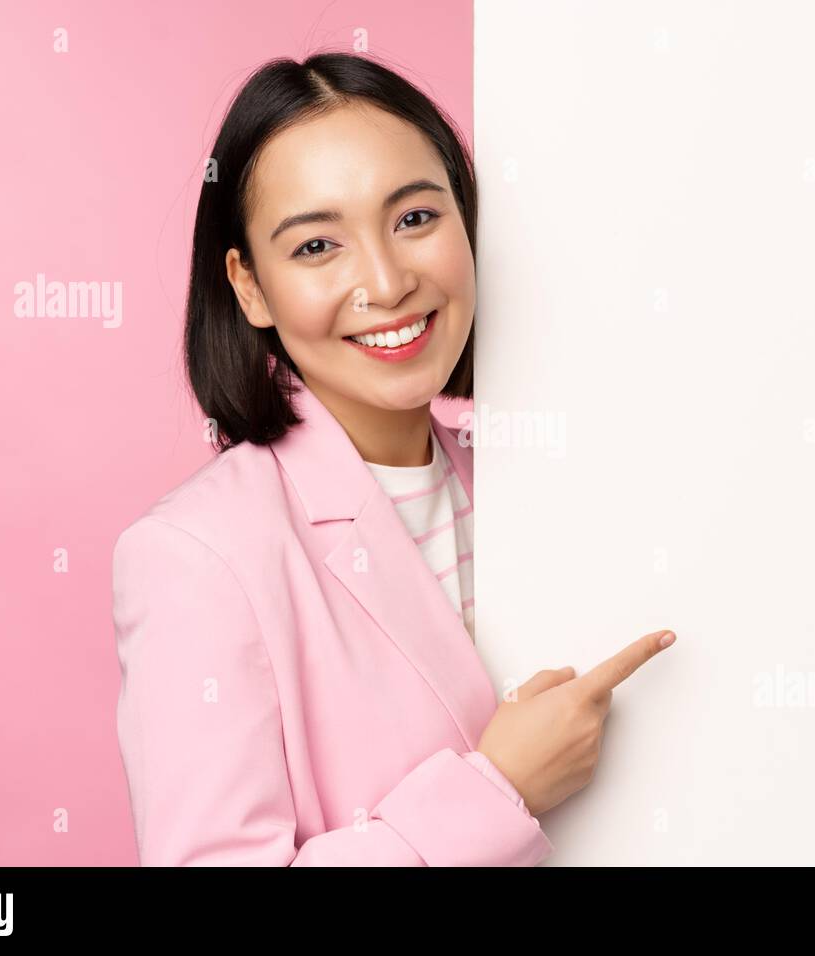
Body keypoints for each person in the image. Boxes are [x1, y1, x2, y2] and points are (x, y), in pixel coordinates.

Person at [111, 52, 677, 866]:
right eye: (315, 247)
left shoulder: (546, 474)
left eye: (415, 219)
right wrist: (498, 786)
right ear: (250, 286)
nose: (385, 279)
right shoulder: (193, 557)